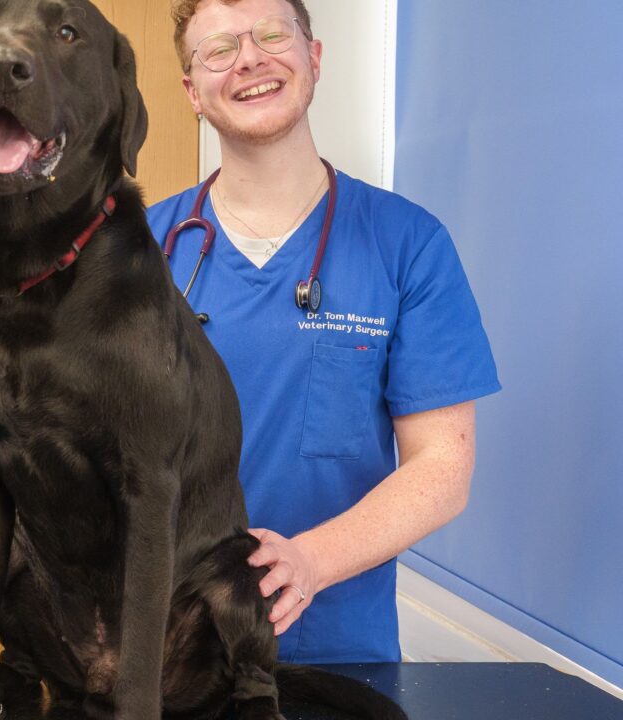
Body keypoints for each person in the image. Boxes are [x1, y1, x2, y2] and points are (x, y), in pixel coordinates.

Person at [148, 0, 500, 664]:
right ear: (193, 92)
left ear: (313, 58)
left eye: (272, 35)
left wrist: (309, 560)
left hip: (335, 654)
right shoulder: (139, 253)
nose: (249, 58)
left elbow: (443, 465)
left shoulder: (407, 245)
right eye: (219, 50)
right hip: (157, 653)